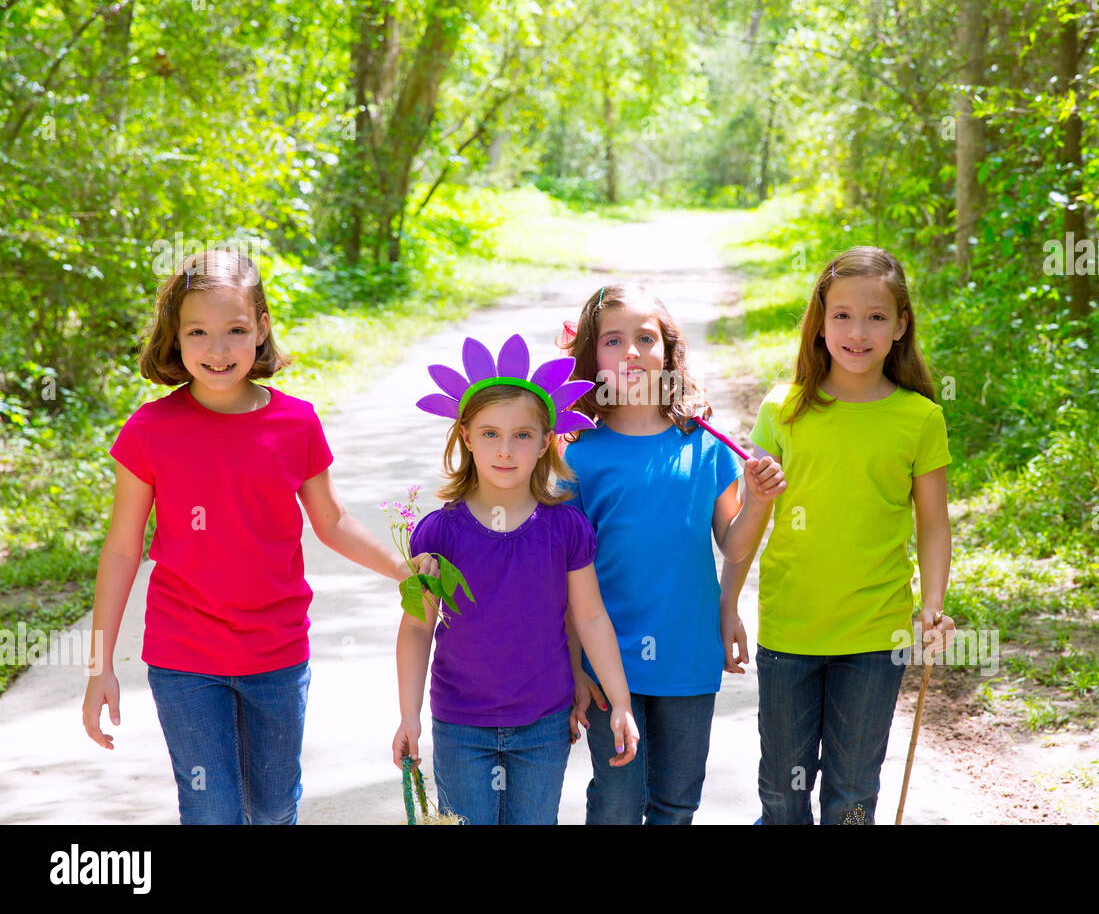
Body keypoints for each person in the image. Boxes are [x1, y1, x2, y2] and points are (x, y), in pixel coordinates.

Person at [81, 249, 411, 824]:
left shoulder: (296, 423)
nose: (217, 350)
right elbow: (121, 549)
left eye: (235, 330)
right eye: (198, 332)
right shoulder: (149, 431)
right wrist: (99, 664)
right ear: (175, 339)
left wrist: (405, 571)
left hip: (277, 653)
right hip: (184, 655)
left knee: (273, 807)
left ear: (260, 329)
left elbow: (331, 521)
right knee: (212, 809)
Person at [740, 246, 957, 824]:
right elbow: (746, 527)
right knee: (783, 795)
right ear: (820, 320)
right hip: (791, 628)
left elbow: (933, 523)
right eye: (842, 315)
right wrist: (723, 601)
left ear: (900, 325)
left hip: (874, 631)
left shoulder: (918, 418)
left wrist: (933, 605)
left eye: (876, 317)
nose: (857, 332)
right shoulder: (783, 410)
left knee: (855, 794)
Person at [559, 284, 785, 824]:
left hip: (688, 652)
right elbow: (566, 575)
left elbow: (732, 544)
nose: (631, 353)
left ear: (668, 351)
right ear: (593, 356)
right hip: (607, 660)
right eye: (613, 341)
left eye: (645, 338)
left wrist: (759, 502)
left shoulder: (705, 444)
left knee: (677, 801)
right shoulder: (578, 457)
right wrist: (573, 665)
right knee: (615, 802)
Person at [392, 334, 639, 825]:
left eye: (523, 435)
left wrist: (621, 701)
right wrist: (409, 716)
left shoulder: (565, 528)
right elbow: (418, 627)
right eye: (490, 434)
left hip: (542, 723)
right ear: (466, 435)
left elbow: (589, 616)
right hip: (461, 723)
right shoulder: (439, 532)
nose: (505, 450)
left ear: (546, 440)